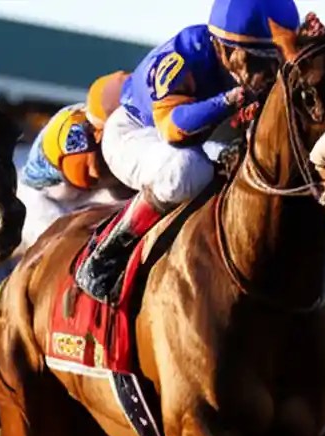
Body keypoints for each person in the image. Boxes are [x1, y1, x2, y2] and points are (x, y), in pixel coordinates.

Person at [73, 0, 301, 301]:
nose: (267, 73)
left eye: (274, 59)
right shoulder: (183, 57)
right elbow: (172, 128)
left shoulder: (246, 61)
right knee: (186, 169)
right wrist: (229, 100)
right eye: (257, 60)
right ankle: (106, 254)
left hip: (197, 144)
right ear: (225, 48)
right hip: (136, 133)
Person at [16, 71, 131, 255]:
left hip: (93, 193)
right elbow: (90, 175)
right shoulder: (76, 136)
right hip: (44, 198)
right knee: (64, 247)